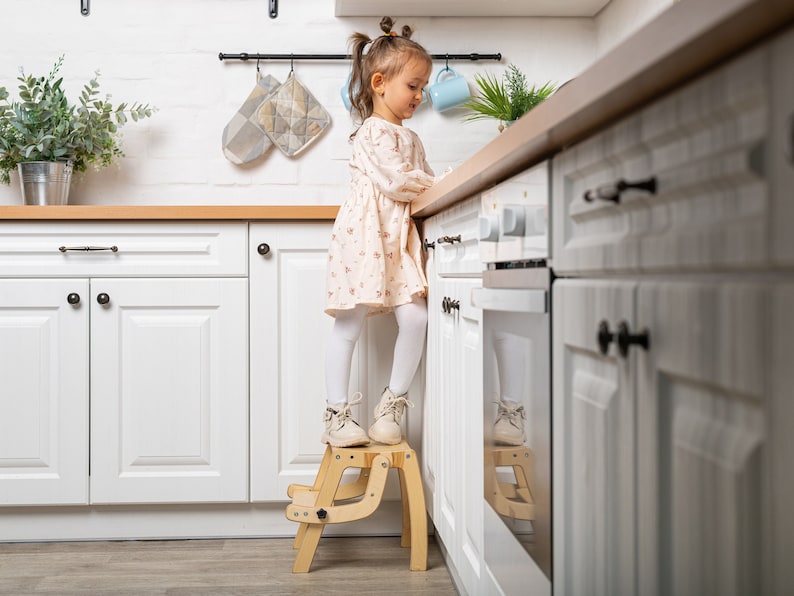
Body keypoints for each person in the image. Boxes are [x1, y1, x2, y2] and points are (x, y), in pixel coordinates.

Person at [322, 16, 440, 448]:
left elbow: (423, 183)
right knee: (349, 325)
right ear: (379, 83)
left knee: (416, 317)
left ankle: (391, 405)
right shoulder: (372, 132)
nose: (419, 95)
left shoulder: (413, 138)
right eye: (413, 85)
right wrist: (440, 182)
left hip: (398, 241)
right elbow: (398, 182)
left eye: (423, 87)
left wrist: (438, 184)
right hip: (365, 239)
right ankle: (336, 414)